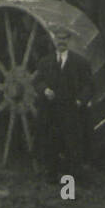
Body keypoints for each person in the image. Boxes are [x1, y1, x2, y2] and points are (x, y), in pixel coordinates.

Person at [32, 28, 95, 182]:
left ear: (69, 41)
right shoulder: (45, 62)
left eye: (64, 39)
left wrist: (81, 100)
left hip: (71, 108)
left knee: (72, 142)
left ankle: (74, 175)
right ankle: (51, 174)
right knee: (51, 140)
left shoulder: (80, 62)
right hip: (51, 109)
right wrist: (45, 90)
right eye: (58, 39)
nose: (61, 42)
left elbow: (89, 85)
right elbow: (37, 81)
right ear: (54, 41)